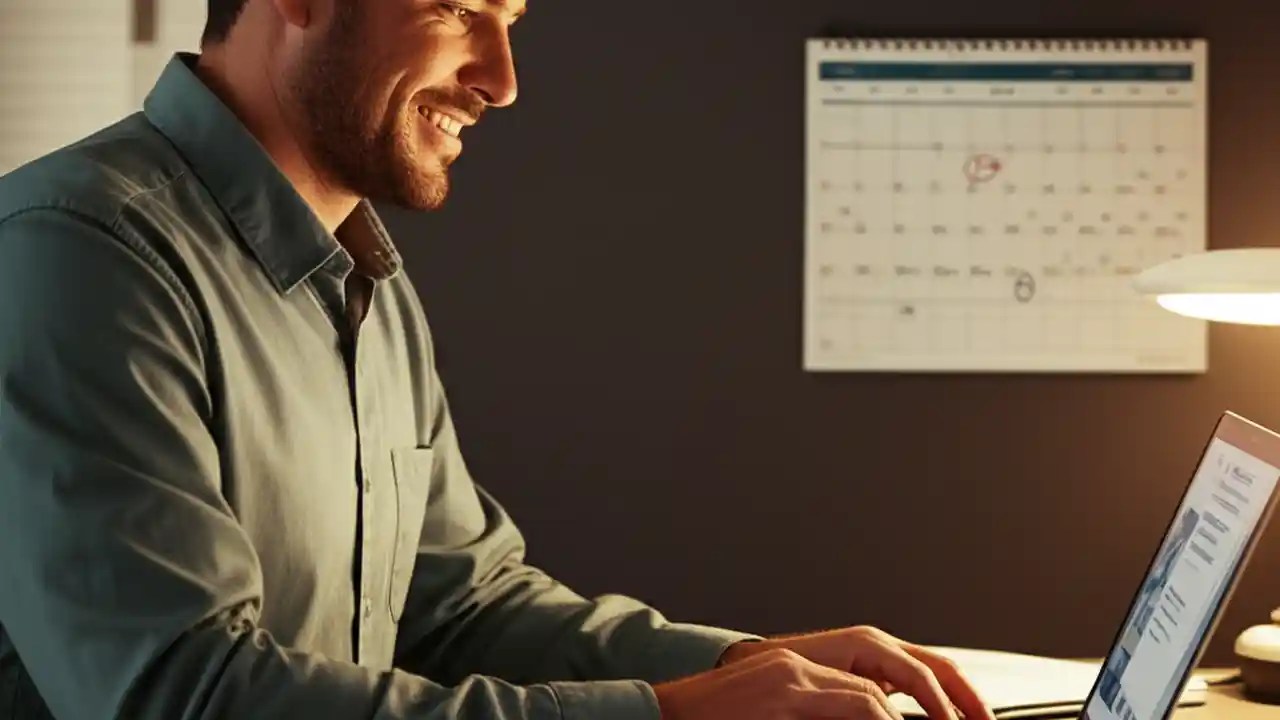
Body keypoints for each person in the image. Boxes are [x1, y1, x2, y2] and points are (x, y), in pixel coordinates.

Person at [0, 2, 996, 719]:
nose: (501, 78)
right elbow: (178, 694)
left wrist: (747, 664)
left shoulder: (367, 282)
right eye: (459, 9)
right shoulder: (75, 253)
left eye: (510, 17)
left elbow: (459, 605)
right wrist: (675, 714)